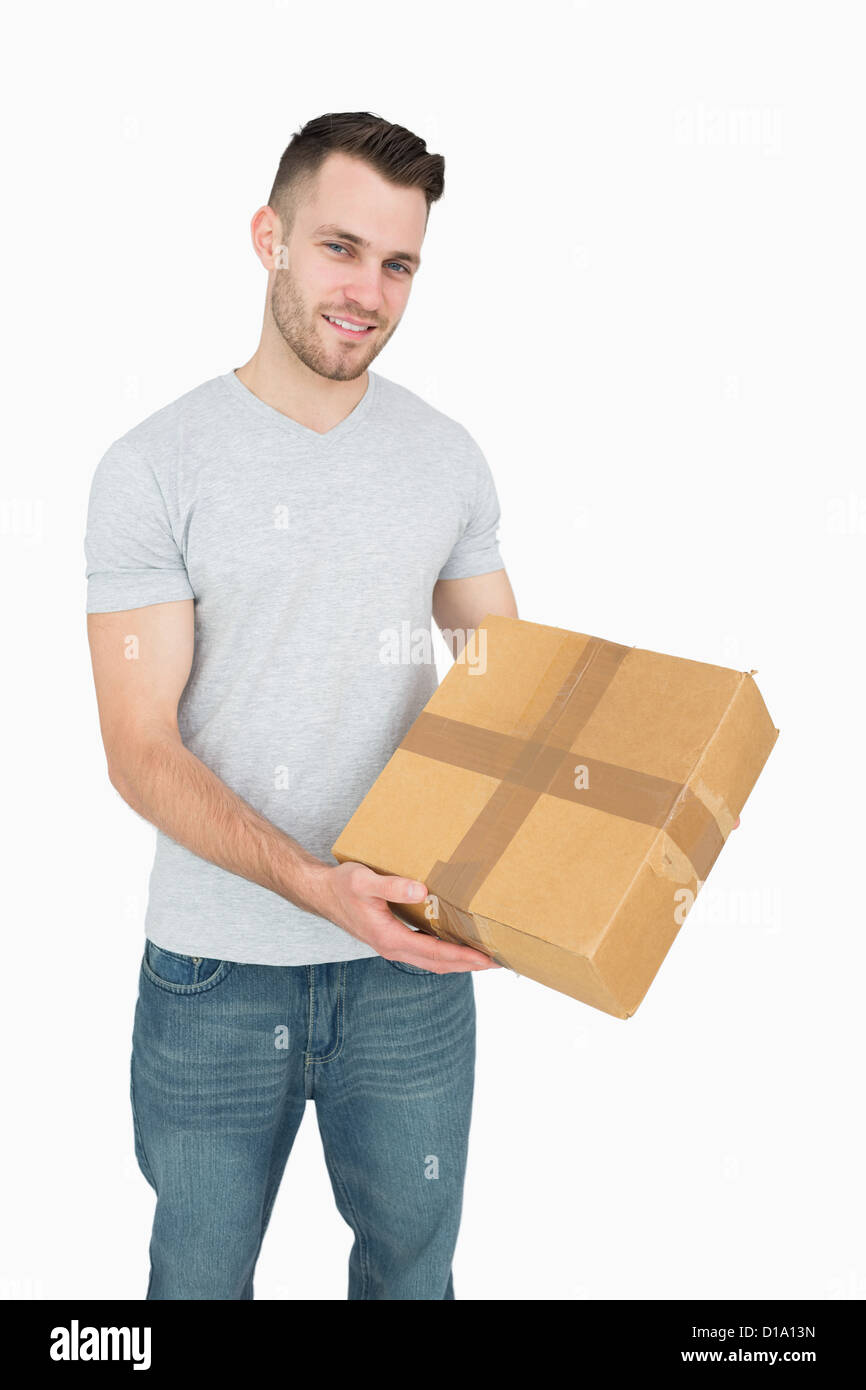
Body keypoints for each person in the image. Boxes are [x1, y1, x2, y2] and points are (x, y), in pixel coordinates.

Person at [84, 110, 518, 1301]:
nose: (365, 291)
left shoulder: (445, 459)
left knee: (411, 1278)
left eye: (398, 263)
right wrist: (320, 885)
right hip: (216, 973)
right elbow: (137, 749)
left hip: (412, 975)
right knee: (197, 1286)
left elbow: (514, 690)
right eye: (338, 247)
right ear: (268, 236)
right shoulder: (154, 466)